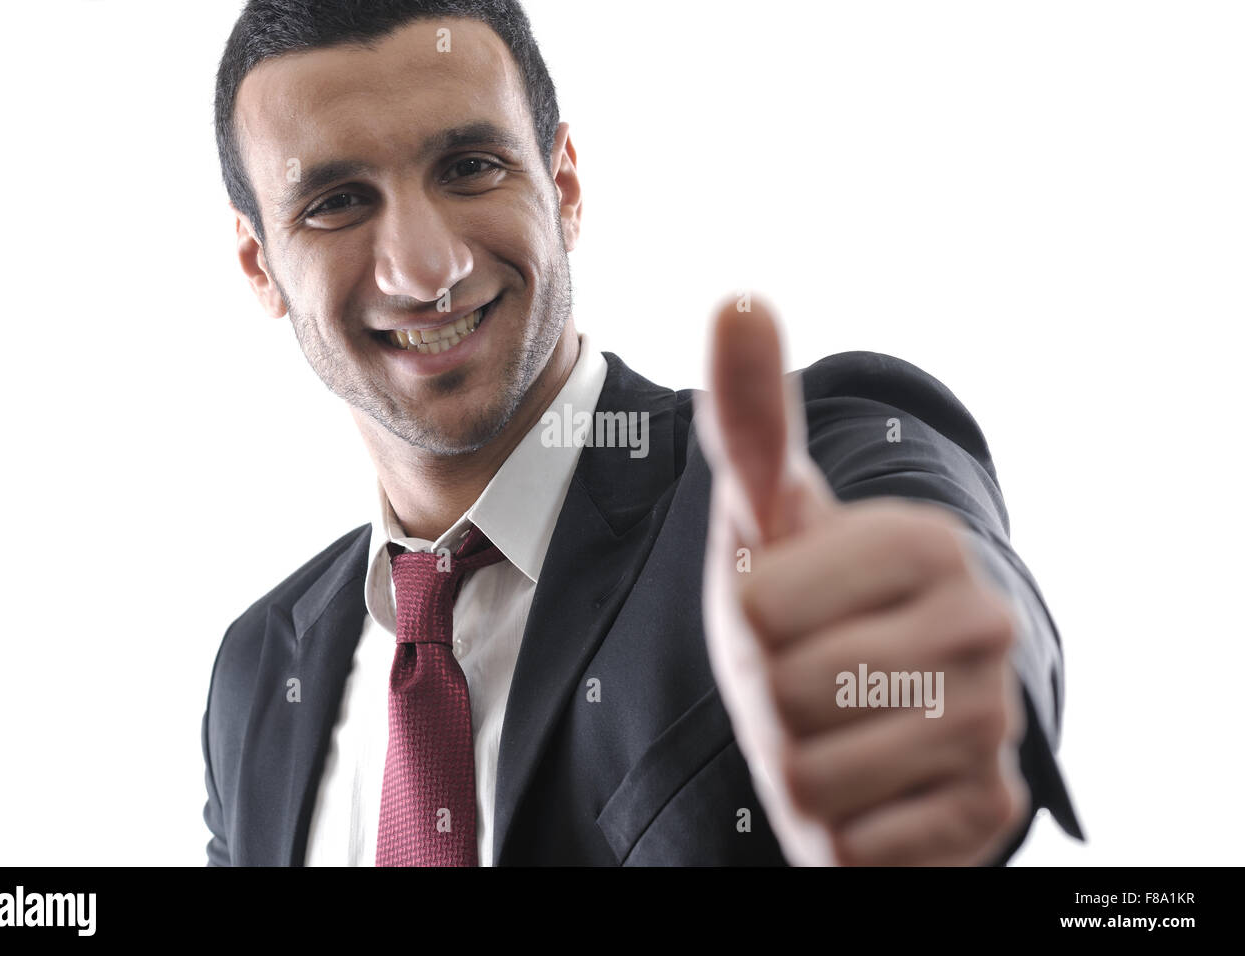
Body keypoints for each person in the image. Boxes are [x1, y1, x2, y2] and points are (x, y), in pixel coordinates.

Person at [202, 0, 1083, 866]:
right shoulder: (254, 676)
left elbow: (939, 564)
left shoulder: (797, 470)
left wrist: (933, 683)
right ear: (259, 265)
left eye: (470, 166)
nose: (426, 266)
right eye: (337, 202)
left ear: (565, 187)